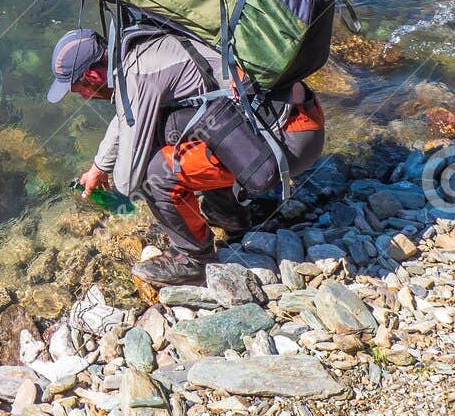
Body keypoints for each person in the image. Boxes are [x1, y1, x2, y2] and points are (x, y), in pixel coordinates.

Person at [47, 27, 325, 285]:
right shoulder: (138, 48)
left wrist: (117, 191)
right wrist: (98, 167)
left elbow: (128, 183)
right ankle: (231, 217)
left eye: (77, 89)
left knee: (152, 174)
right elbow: (125, 118)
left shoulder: (137, 78)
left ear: (92, 76)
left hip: (289, 143)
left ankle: (194, 260)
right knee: (171, 129)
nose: (82, 97)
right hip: (299, 116)